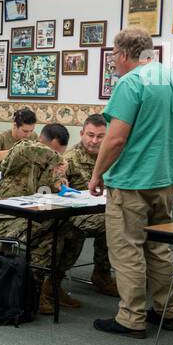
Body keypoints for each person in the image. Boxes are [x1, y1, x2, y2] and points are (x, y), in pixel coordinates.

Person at [88, 27, 173, 338]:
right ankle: (167, 311)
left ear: (121, 54)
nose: (114, 65)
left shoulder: (130, 82)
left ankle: (130, 317)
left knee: (127, 248)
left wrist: (97, 174)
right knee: (158, 246)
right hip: (167, 178)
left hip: (132, 179)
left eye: (113, 59)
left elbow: (116, 138)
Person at [0, 124, 85, 315]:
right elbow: (23, 149)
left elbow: (59, 186)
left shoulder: (49, 163)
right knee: (50, 237)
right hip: (7, 218)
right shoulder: (24, 151)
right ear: (43, 142)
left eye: (60, 154)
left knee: (73, 231)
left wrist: (61, 181)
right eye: (54, 153)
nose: (56, 160)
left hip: (35, 216)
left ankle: (53, 284)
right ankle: (34, 290)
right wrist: (57, 159)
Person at [62, 114, 118, 297]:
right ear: (82, 133)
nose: (94, 141)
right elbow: (59, 192)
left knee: (123, 221)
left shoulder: (112, 156)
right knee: (112, 222)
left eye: (100, 136)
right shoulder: (70, 159)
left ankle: (104, 272)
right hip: (75, 214)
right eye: (90, 135)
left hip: (106, 209)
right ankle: (101, 273)